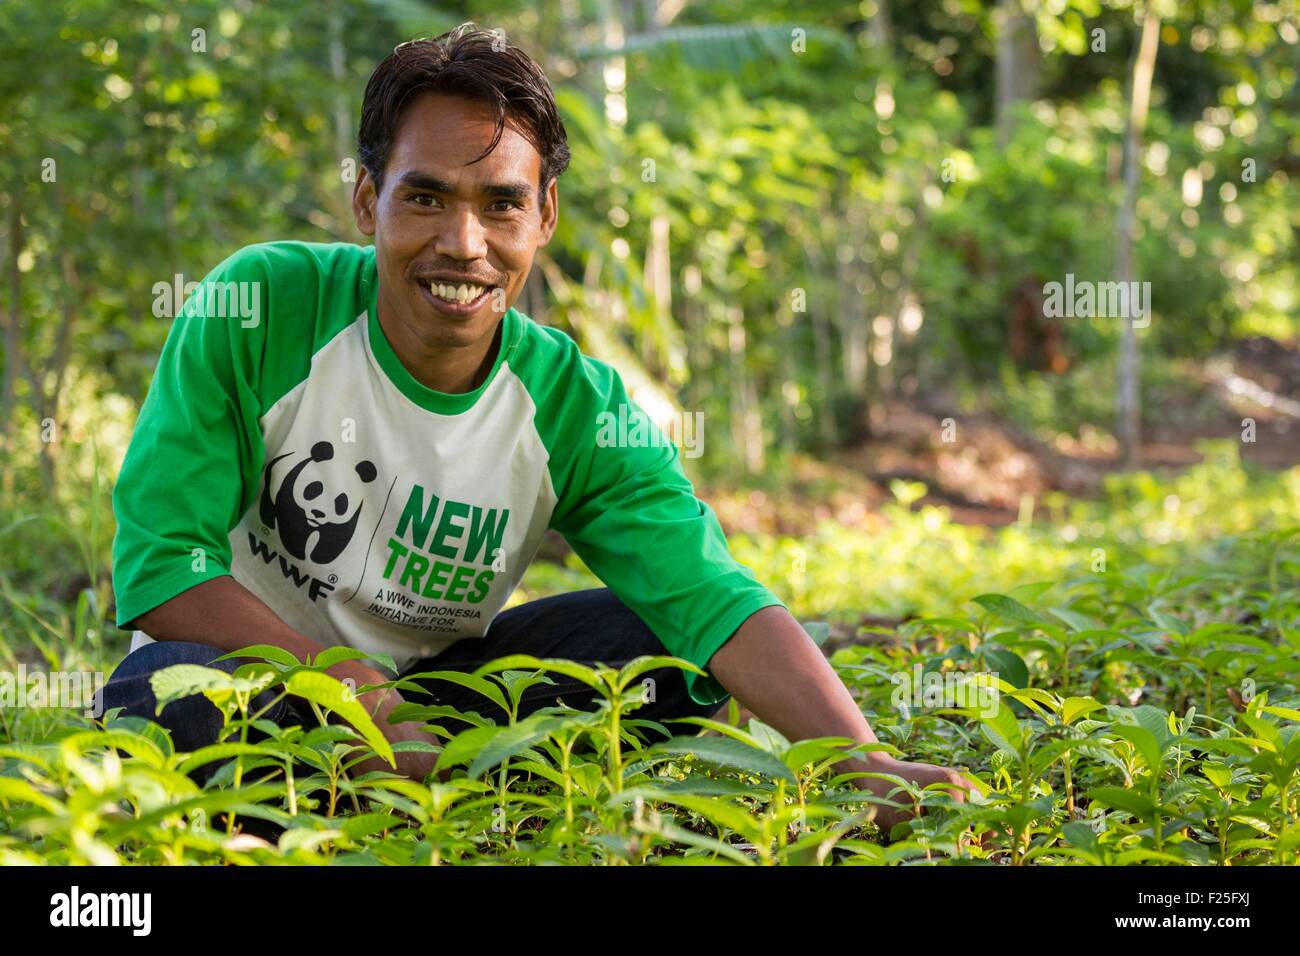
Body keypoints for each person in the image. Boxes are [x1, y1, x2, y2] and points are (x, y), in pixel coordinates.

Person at [99, 23, 977, 831]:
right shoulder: (260, 307)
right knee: (163, 705)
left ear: (545, 216)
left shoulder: (572, 403)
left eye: (502, 205)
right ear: (369, 202)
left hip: (439, 701)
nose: (465, 243)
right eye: (427, 199)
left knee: (671, 660)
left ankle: (436, 803)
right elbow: (160, 562)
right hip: (250, 680)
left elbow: (710, 596)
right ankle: (324, 812)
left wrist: (866, 763)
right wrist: (348, 691)